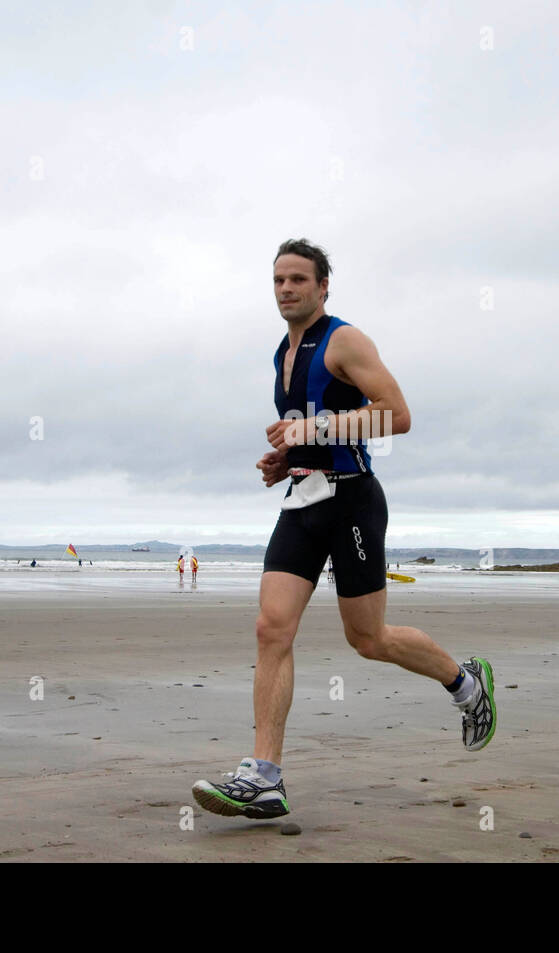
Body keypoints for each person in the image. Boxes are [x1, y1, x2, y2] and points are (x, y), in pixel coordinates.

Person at [192, 239, 496, 820]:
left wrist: (315, 429)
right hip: (302, 501)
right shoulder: (281, 352)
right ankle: (264, 778)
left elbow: (396, 414)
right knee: (270, 628)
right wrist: (288, 458)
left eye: (298, 280)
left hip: (354, 501)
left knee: (368, 640)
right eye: (278, 280)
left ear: (323, 287)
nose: (286, 289)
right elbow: (311, 432)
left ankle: (465, 682)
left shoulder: (345, 340)